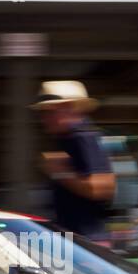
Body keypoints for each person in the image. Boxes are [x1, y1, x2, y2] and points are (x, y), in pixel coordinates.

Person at [32, 80, 115, 240]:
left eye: (49, 112)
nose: (44, 118)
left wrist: (59, 171)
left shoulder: (82, 137)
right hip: (76, 238)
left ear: (69, 108)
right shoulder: (69, 138)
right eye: (43, 113)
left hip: (86, 241)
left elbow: (102, 187)